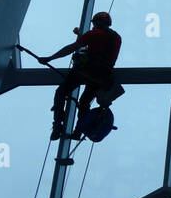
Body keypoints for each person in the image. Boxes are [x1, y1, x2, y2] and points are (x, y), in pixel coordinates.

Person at [40, 11, 122, 140]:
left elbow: (71, 48)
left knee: (61, 92)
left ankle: (57, 125)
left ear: (97, 23)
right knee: (84, 102)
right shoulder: (117, 38)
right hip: (102, 77)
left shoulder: (93, 34)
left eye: (94, 23)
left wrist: (50, 58)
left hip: (84, 72)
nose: (93, 26)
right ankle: (78, 131)